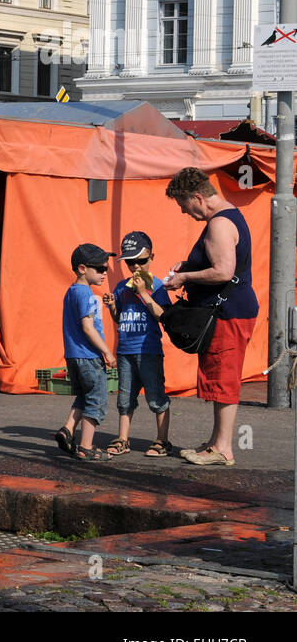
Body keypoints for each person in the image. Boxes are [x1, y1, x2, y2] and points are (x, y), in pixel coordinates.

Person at [163, 167, 258, 466]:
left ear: (197, 197)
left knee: (224, 378)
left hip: (228, 313)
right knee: (219, 376)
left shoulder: (219, 224)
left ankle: (223, 449)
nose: (184, 212)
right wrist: (188, 264)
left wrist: (185, 277)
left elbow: (223, 271)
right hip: (231, 310)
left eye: (184, 205)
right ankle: (216, 442)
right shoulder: (230, 215)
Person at [102, 230, 173, 458]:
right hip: (125, 351)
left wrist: (144, 292)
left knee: (156, 397)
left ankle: (162, 440)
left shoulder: (158, 286)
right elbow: (118, 318)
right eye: (130, 262)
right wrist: (113, 306)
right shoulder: (121, 287)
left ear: (152, 257)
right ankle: (123, 439)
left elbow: (163, 315)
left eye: (141, 261)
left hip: (149, 351)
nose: (135, 267)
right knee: (124, 399)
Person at [57, 243, 117, 461]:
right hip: (89, 357)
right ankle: (85, 446)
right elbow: (88, 327)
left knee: (84, 396)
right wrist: (107, 352)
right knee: (97, 400)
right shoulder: (85, 293)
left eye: (106, 269)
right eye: (100, 269)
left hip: (74, 355)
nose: (104, 273)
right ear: (82, 268)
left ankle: (67, 430)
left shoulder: (72, 291)